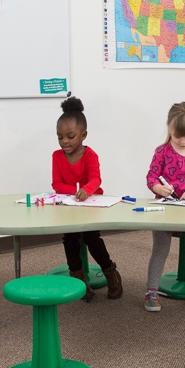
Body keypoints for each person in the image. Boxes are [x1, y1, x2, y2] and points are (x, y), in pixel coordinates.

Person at [51, 95, 123, 301]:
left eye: (70, 136)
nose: (64, 141)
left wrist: (86, 190)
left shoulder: (90, 155)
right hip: (69, 205)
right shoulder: (56, 156)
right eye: (60, 137)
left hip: (90, 205)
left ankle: (110, 273)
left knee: (92, 239)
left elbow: (96, 179)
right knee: (70, 239)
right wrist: (74, 192)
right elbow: (56, 185)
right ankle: (78, 278)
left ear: (83, 135)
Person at [143, 101, 185, 312]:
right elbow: (151, 177)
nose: (182, 141)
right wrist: (158, 188)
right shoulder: (162, 151)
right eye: (177, 136)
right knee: (160, 247)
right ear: (169, 130)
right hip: (166, 208)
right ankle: (151, 290)